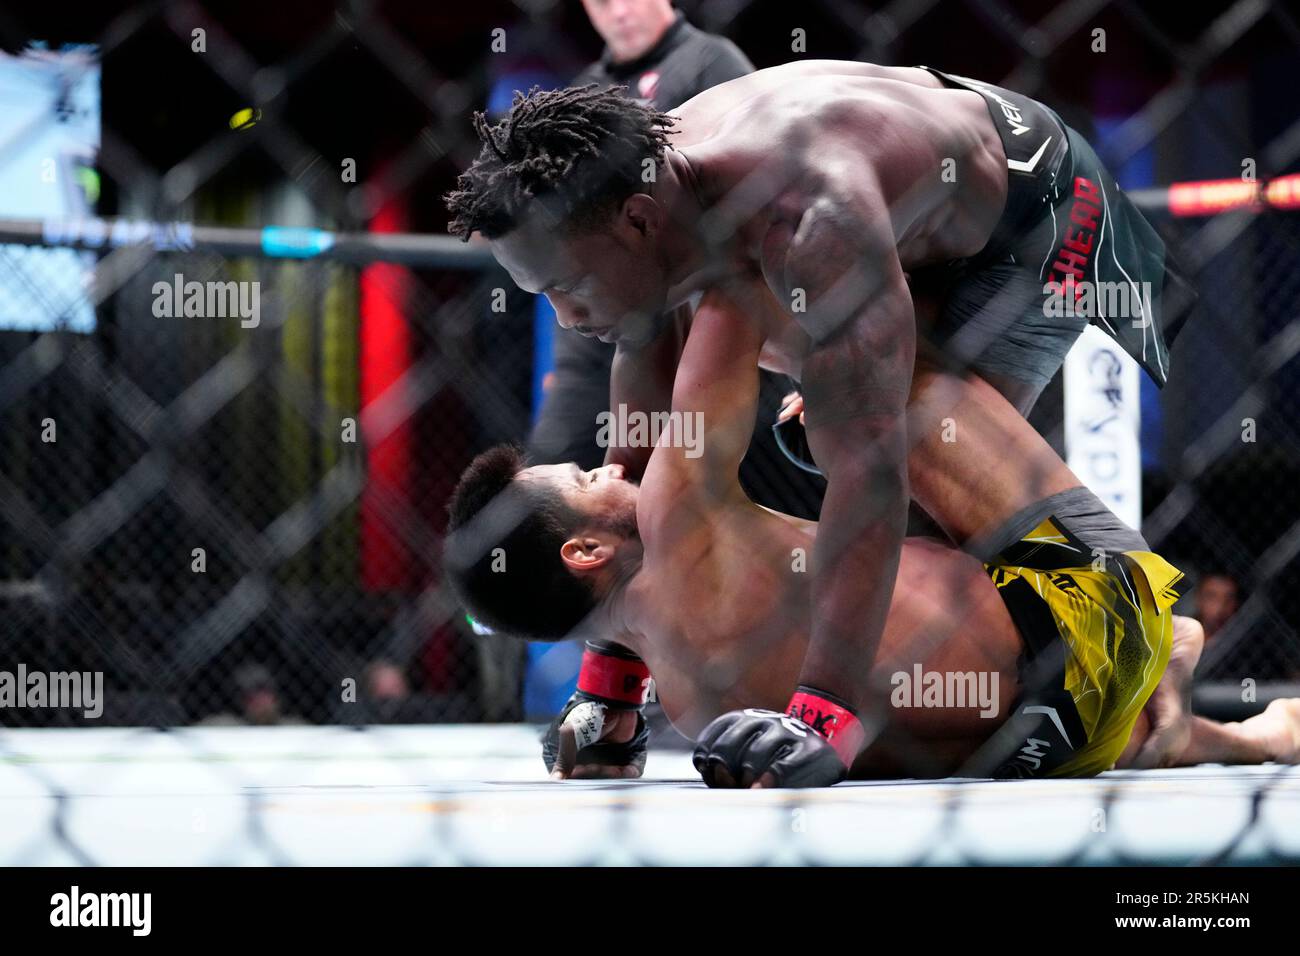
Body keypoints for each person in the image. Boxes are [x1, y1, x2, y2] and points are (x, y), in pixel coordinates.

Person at [446, 60, 1191, 786]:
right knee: (920, 580)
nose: (566, 318)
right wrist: (609, 685)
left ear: (638, 222)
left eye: (566, 287)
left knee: (860, 399)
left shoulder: (804, 218)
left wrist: (823, 713)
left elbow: (866, 475)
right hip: (903, 222)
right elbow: (638, 490)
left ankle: (1140, 649)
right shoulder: (645, 209)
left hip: (1039, 218)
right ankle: (1161, 693)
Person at [443, 290, 1296, 783]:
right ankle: (1164, 652)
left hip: (1058, 744)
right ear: (585, 552)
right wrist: (623, 267)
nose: (614, 467)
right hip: (1091, 616)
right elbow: (726, 293)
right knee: (868, 384)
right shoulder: (675, 511)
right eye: (590, 480)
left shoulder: (694, 706)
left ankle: (1208, 723)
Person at [529, 0, 754, 470]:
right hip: (588, 343)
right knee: (553, 488)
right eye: (601, 1)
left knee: (673, 495)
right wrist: (560, 362)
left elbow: (752, 207)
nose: (618, 10)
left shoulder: (712, 61)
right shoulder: (582, 91)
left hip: (679, 325)